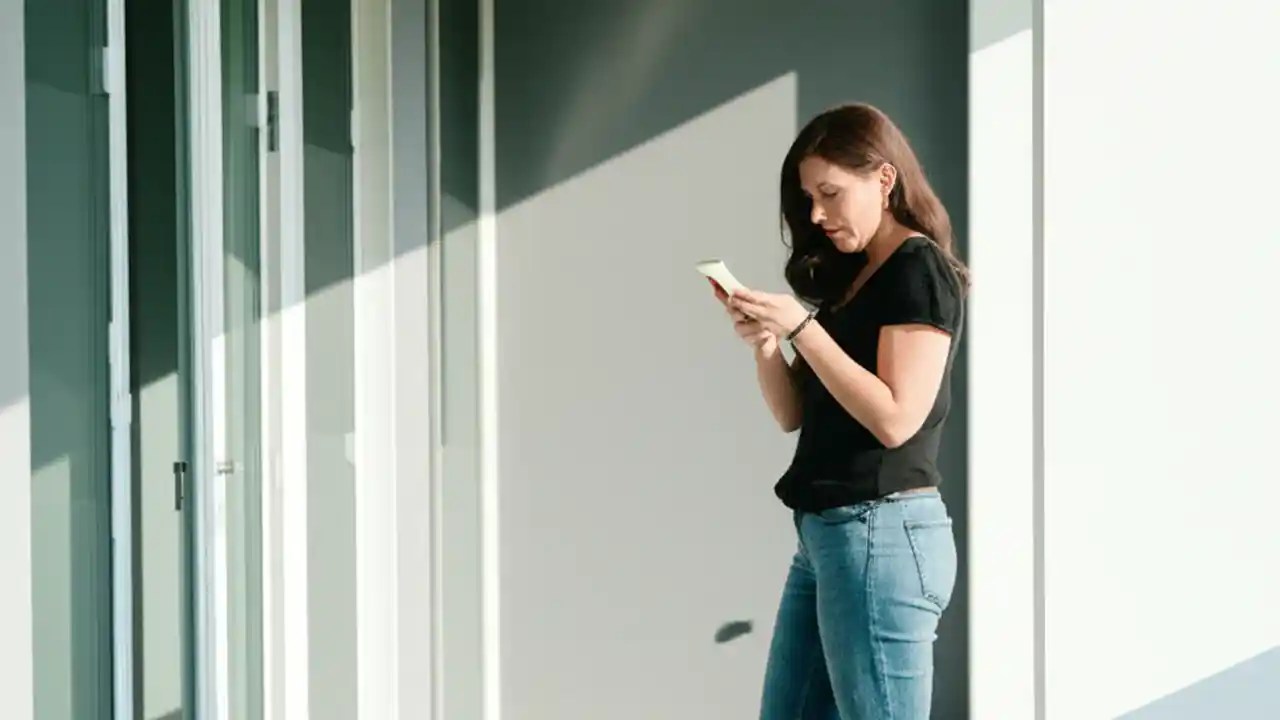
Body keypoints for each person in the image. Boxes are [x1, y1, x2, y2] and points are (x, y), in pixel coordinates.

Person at [716, 102, 968, 719]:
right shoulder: (855, 277)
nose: (817, 215)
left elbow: (895, 418)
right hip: (829, 536)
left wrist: (803, 327)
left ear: (884, 180)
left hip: (880, 532)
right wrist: (768, 344)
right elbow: (792, 414)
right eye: (807, 199)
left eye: (830, 193)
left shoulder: (919, 269)